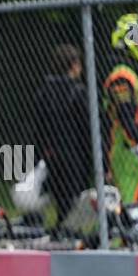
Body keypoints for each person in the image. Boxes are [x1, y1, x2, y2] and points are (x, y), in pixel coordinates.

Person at [32, 44, 92, 230]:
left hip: (51, 154)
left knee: (60, 200)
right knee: (75, 201)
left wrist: (39, 154)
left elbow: (37, 128)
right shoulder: (78, 91)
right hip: (75, 154)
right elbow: (87, 127)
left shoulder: (44, 92)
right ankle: (71, 232)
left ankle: (62, 230)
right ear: (74, 65)